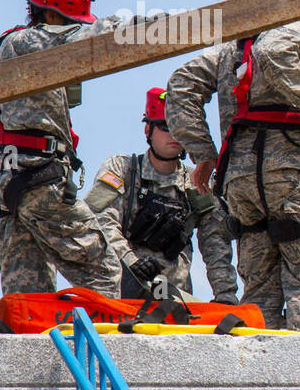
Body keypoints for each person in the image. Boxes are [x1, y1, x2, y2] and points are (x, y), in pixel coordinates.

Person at [166, 13, 300, 330]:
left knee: (259, 286)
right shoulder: (296, 29)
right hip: (289, 174)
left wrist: (204, 153)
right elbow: (273, 51)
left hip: (239, 180)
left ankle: (263, 369)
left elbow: (181, 84)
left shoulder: (233, 49)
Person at [0, 0, 125, 296]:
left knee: (29, 295)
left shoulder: (10, 48)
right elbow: (94, 37)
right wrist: (147, 25)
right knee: (102, 269)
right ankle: (102, 345)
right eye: (72, 21)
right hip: (38, 177)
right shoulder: (30, 42)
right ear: (49, 14)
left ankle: (37, 346)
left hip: (10, 181)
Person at [86, 88, 239, 302]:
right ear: (148, 129)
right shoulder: (123, 169)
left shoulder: (197, 182)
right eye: (166, 127)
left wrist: (226, 295)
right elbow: (100, 221)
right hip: (122, 295)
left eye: (181, 129)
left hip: (175, 302)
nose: (174, 135)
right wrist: (132, 261)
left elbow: (214, 241)